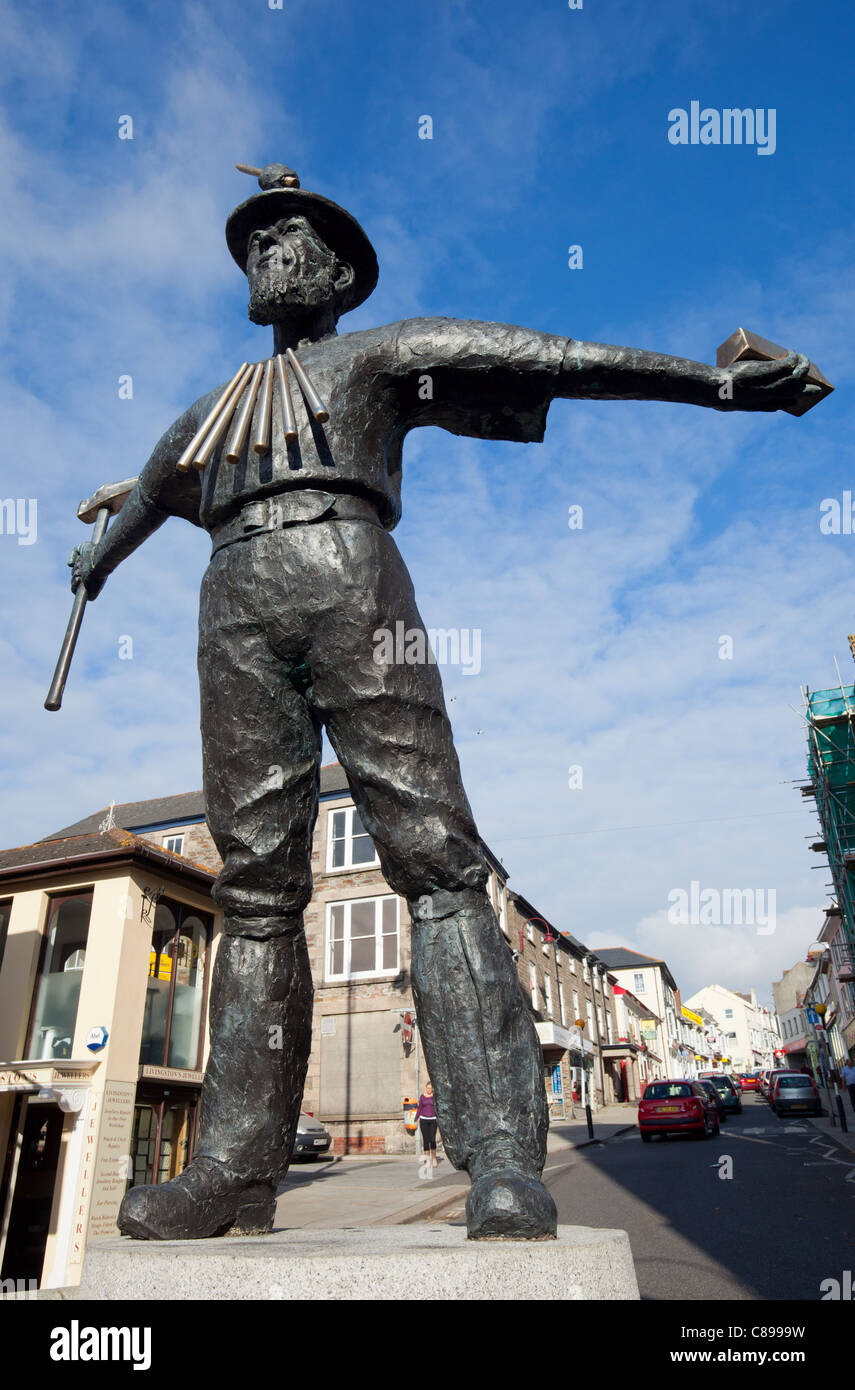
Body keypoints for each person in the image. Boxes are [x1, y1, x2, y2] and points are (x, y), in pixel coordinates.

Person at [69, 162, 820, 1245]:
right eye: (257, 242)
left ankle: (505, 1157)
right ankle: (233, 1168)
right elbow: (143, 500)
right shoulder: (212, 414)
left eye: (292, 239)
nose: (268, 254)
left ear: (337, 274)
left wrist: (708, 383)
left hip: (350, 572)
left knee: (433, 854)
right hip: (230, 600)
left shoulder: (380, 355)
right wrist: (96, 556)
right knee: (255, 887)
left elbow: (549, 357)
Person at [415, 1082, 439, 1167]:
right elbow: (419, 1108)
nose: (429, 1090)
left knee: (432, 1139)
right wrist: (415, 1119)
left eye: (431, 1088)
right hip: (423, 1120)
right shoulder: (422, 1097)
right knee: (426, 1140)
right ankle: (428, 1160)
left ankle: (434, 1158)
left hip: (433, 1119)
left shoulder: (435, 1097)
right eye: (428, 1088)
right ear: (426, 1088)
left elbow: (438, 1107)